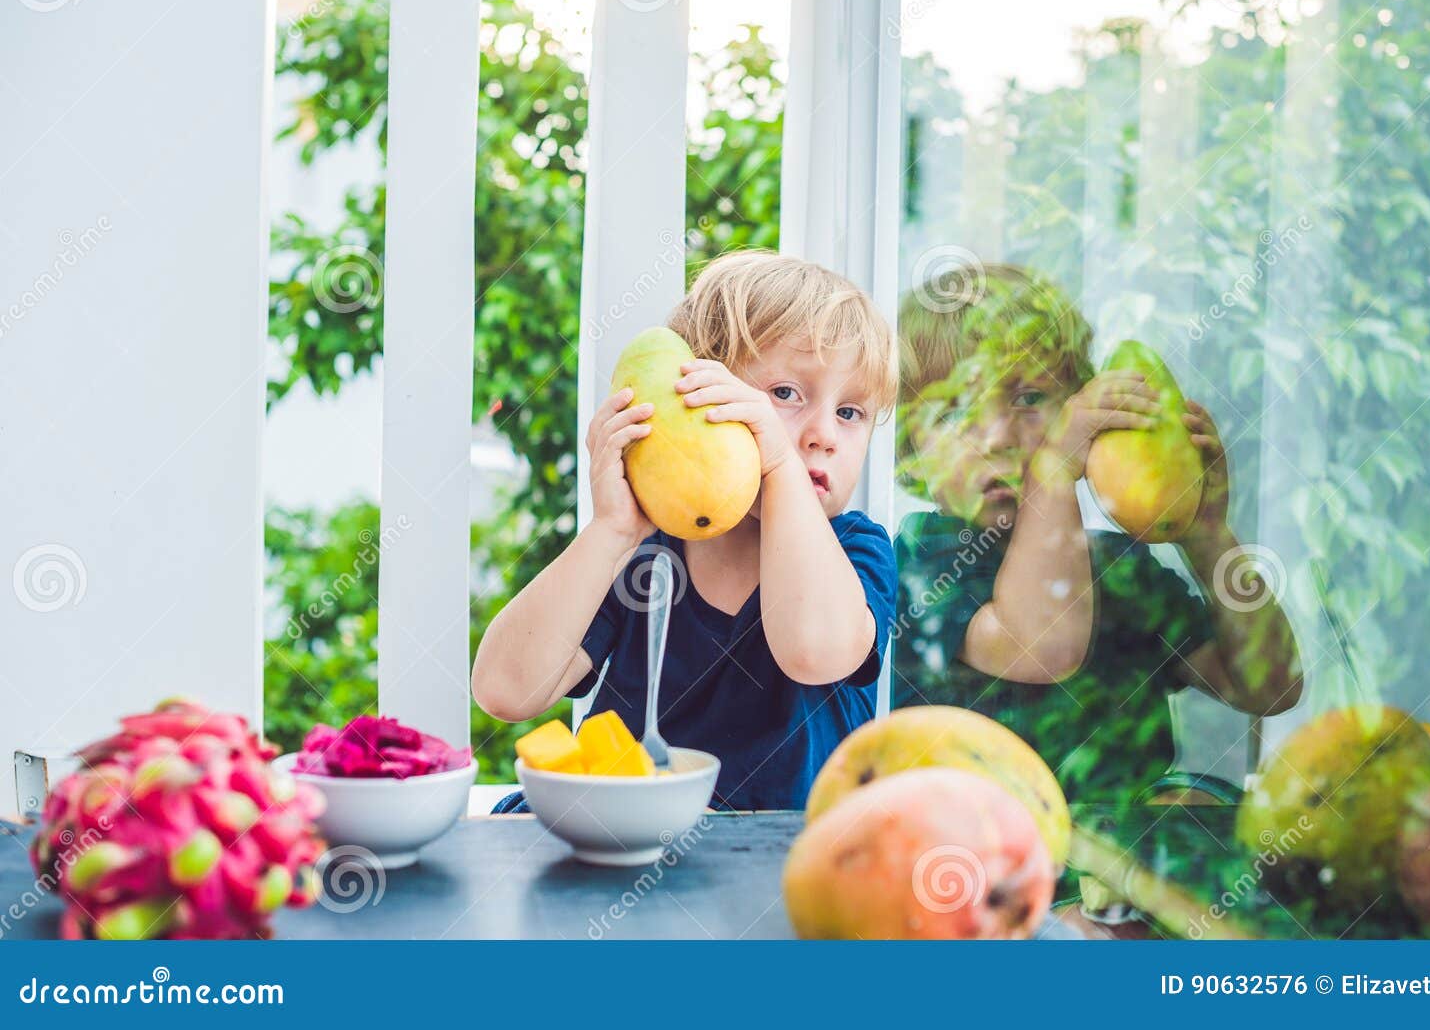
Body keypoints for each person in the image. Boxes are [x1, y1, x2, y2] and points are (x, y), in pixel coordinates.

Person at [474, 251, 898, 811]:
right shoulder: (643, 558)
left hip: (772, 875)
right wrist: (611, 530)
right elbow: (506, 690)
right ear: (689, 403)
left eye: (850, 413)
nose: (824, 434)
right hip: (618, 849)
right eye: (786, 395)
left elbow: (814, 652)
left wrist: (781, 469)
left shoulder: (854, 551)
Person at [893, 261, 1302, 801]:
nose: (997, 437)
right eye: (955, 411)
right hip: (978, 860)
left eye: (1029, 399)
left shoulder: (1118, 568)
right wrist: (1052, 469)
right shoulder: (921, 565)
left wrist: (1206, 534)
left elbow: (1268, 686)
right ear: (910, 453)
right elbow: (1042, 647)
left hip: (1122, 867)